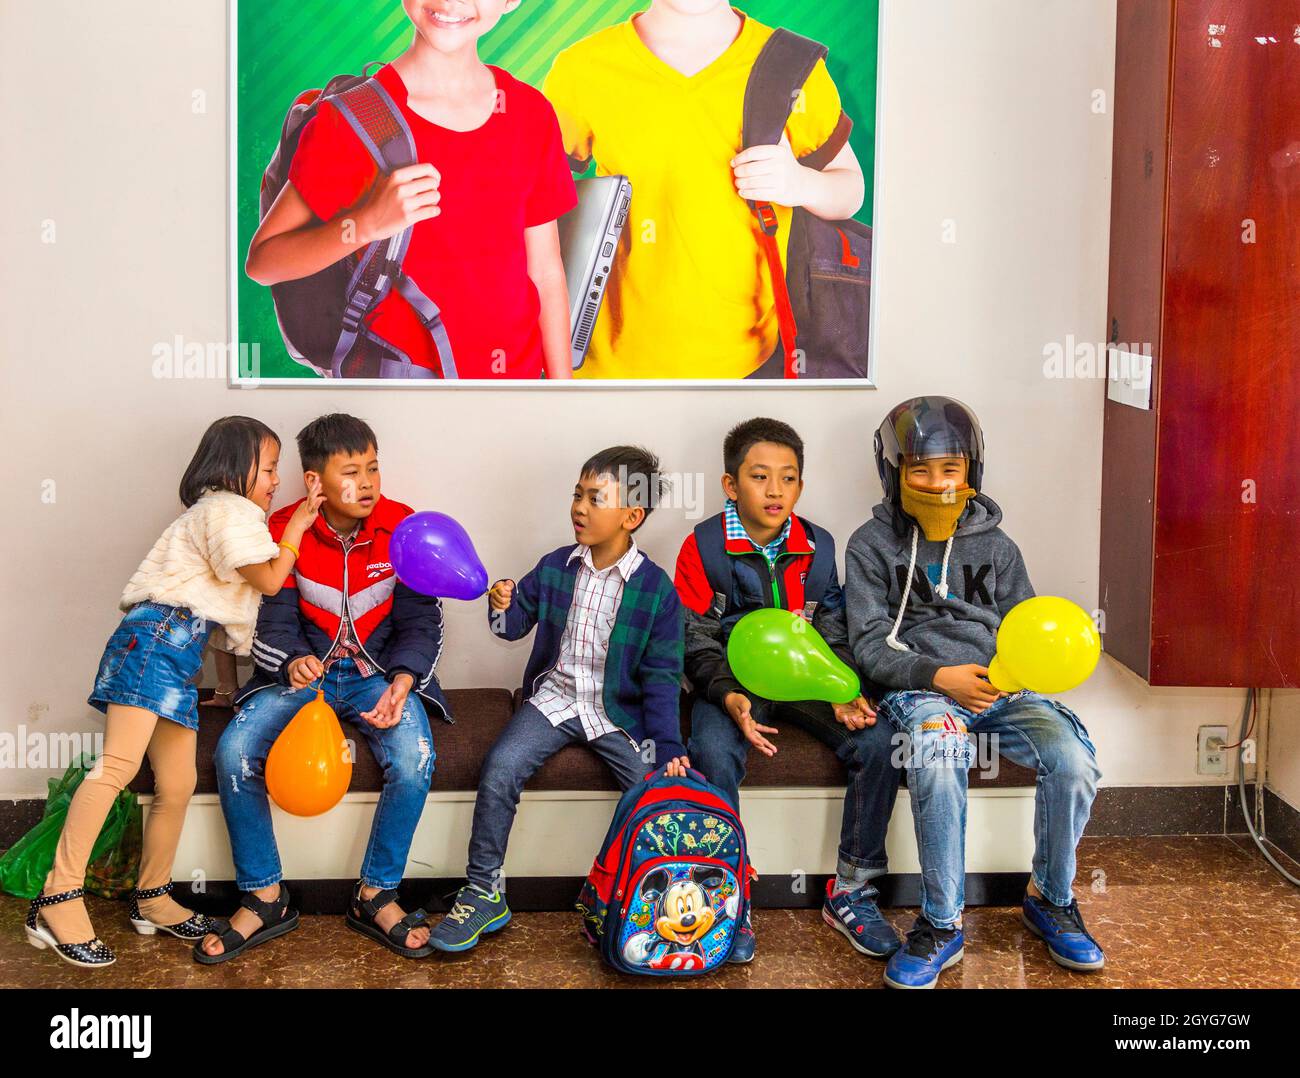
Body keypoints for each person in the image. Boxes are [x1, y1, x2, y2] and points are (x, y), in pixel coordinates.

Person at [26, 416, 322, 968]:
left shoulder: (219, 518)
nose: (276, 480)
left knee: (179, 782)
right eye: (269, 467)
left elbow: (215, 615)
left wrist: (225, 687)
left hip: (176, 657)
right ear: (234, 468)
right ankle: (57, 897)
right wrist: (296, 529)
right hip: (155, 644)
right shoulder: (226, 511)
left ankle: (154, 897)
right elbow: (267, 580)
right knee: (115, 767)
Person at [845, 395, 1105, 988]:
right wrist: (938, 677)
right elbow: (867, 646)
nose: (936, 484)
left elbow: (1028, 629)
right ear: (893, 472)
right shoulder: (870, 544)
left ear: (972, 471)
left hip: (1001, 689)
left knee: (1071, 758)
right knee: (937, 756)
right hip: (924, 691)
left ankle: (1052, 898)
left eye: (950, 470)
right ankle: (940, 924)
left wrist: (1009, 676)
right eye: (919, 470)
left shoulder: (999, 547)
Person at [197, 414, 448, 963]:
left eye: (374, 469)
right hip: (299, 680)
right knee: (234, 752)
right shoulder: (279, 530)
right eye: (351, 472)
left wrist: (403, 680)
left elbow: (422, 622)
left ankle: (375, 893)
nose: (368, 484)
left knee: (416, 758)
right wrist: (291, 662)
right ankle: (265, 898)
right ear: (314, 480)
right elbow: (268, 620)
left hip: (373, 678)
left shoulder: (403, 527)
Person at [428, 446, 686, 952]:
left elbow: (661, 675)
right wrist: (501, 603)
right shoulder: (555, 567)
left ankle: (640, 894)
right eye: (577, 494)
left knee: (651, 794)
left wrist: (669, 742)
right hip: (555, 699)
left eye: (595, 497)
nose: (580, 507)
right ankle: (484, 890)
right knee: (500, 766)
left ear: (632, 515)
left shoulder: (656, 591)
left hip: (617, 715)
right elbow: (511, 628)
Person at [248, 0, 576, 379]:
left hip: (519, 385)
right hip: (404, 390)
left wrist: (560, 392)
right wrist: (367, 223)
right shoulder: (353, 121)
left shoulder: (529, 112)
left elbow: (546, 273)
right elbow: (264, 262)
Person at [675, 417, 899, 964]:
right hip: (729, 684)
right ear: (731, 486)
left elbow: (832, 631)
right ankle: (724, 896)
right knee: (710, 753)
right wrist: (728, 695)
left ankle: (852, 888)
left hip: (800, 682)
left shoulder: (818, 547)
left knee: (880, 743)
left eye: (789, 478)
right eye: (759, 477)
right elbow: (692, 640)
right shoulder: (701, 546)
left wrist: (843, 688)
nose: (775, 491)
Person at [543, 1, 865, 378]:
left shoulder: (793, 66)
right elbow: (533, 205)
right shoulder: (581, 68)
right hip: (605, 365)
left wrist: (799, 184)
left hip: (753, 362)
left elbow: (851, 186)